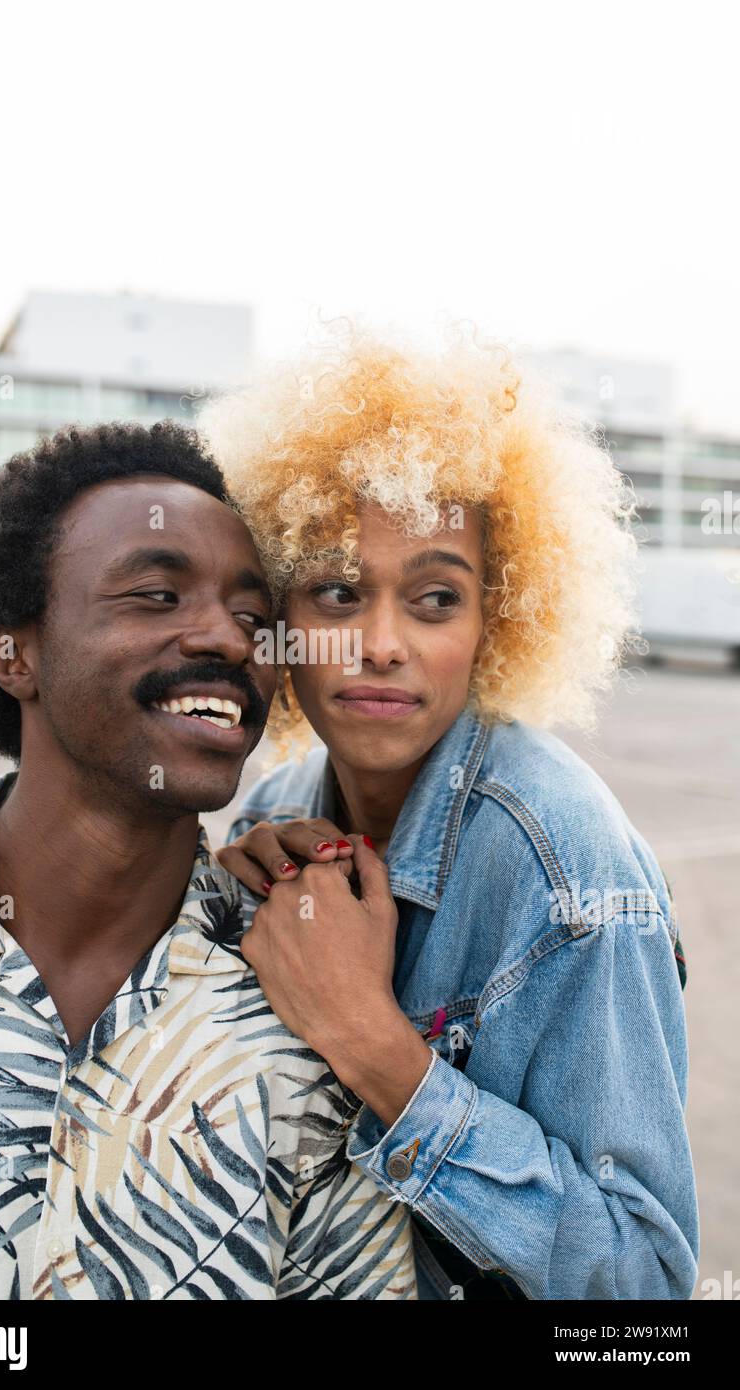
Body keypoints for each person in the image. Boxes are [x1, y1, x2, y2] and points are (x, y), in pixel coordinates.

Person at [202, 323, 699, 1301]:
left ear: (499, 620)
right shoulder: (265, 816)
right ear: (278, 618)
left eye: (435, 597)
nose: (381, 642)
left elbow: (643, 1287)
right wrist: (208, 944)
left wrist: (374, 1044)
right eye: (339, 591)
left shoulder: (570, 874)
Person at [0, 421, 416, 1301]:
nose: (232, 641)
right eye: (158, 596)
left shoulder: (307, 1002)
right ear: (15, 651)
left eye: (252, 616)